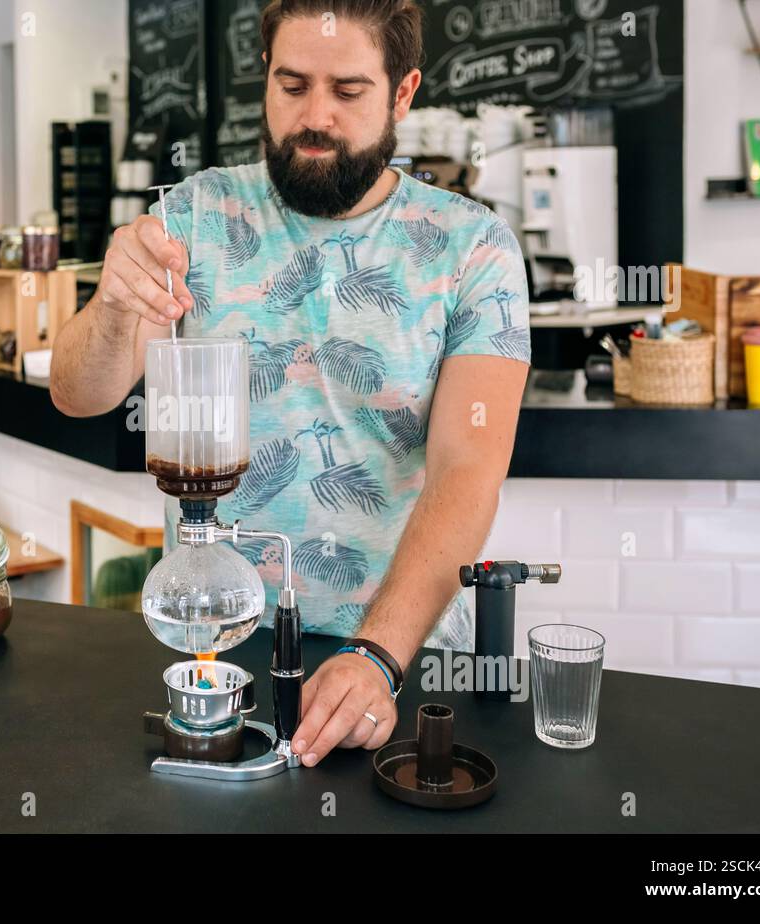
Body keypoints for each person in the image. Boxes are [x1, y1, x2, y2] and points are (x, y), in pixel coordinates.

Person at [50, 0, 530, 768]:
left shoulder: (474, 249)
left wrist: (377, 654)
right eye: (292, 84)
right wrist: (112, 307)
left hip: (400, 661)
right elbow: (80, 395)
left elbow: (469, 468)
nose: (314, 117)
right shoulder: (194, 216)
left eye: (347, 92)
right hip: (216, 644)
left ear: (402, 94)